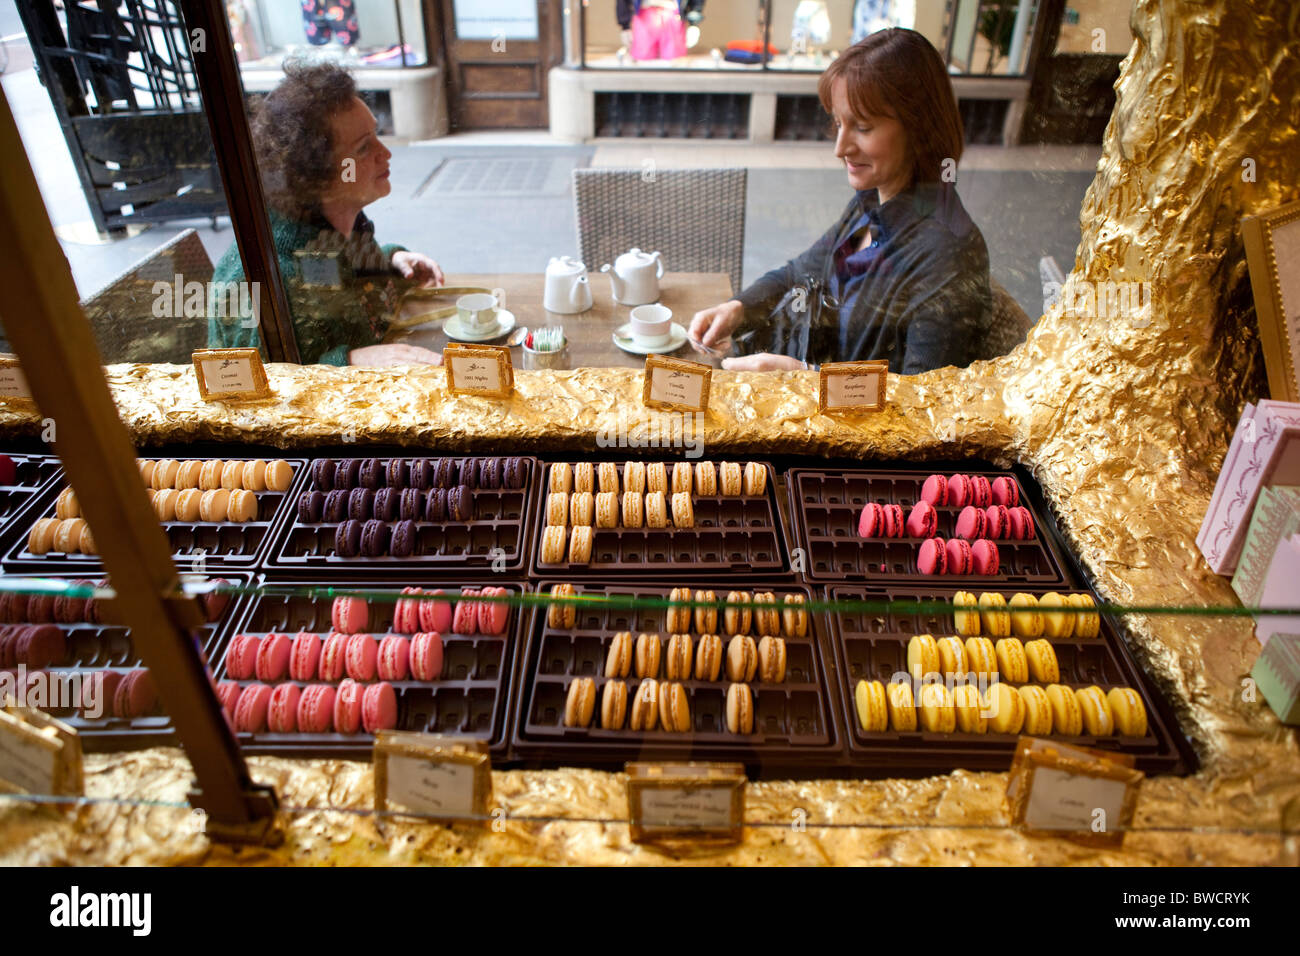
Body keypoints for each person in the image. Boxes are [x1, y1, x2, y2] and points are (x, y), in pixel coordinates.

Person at [690, 28, 993, 373]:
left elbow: (923, 405)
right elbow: (800, 272)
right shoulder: (872, 203)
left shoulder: (946, 254)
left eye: (862, 128)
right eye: (838, 123)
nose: (840, 149)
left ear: (920, 129)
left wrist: (804, 379)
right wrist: (738, 308)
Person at [208, 60, 445, 366]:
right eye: (363, 148)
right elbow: (251, 387)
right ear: (315, 173)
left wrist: (390, 264)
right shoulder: (264, 276)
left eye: (376, 134)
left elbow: (343, 277)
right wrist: (349, 362)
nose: (385, 152)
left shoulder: (338, 221)